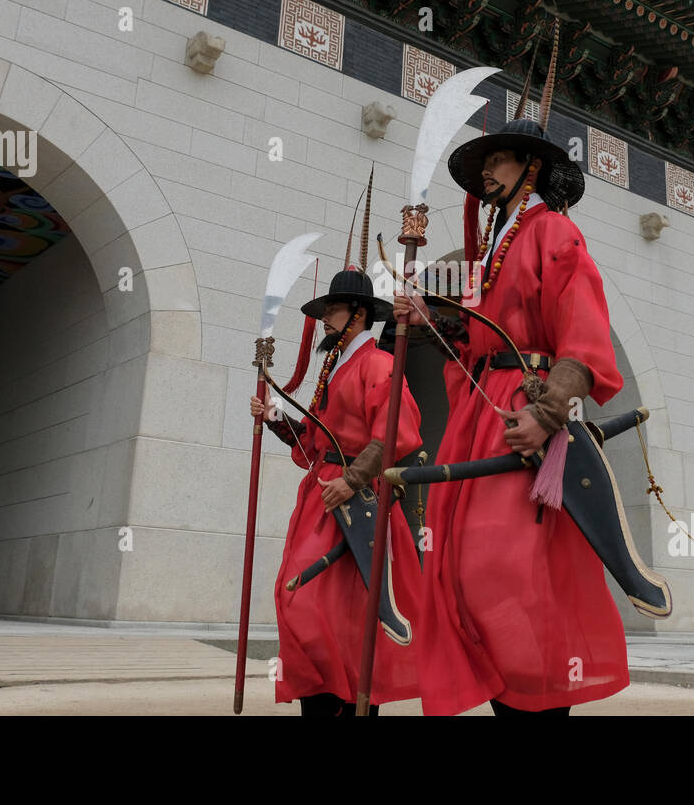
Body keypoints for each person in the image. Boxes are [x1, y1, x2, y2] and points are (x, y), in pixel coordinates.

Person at [395, 115, 628, 716]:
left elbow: (582, 331)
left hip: (529, 399)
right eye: (485, 163)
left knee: (508, 565)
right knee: (461, 565)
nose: (487, 172)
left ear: (532, 167)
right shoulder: (493, 248)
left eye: (499, 160)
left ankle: (541, 699)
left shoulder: (555, 232)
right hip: (484, 406)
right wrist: (423, 317)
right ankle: (510, 696)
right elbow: (471, 337)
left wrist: (550, 412)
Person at [250, 267, 423, 716]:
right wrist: (273, 420)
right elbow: (312, 440)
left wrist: (352, 478)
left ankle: (348, 704)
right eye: (325, 310)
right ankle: (324, 700)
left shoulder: (380, 364)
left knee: (336, 614)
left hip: (357, 503)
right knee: (301, 605)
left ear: (359, 315)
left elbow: (397, 433)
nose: (324, 319)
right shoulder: (335, 367)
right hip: (320, 501)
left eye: (333, 310)